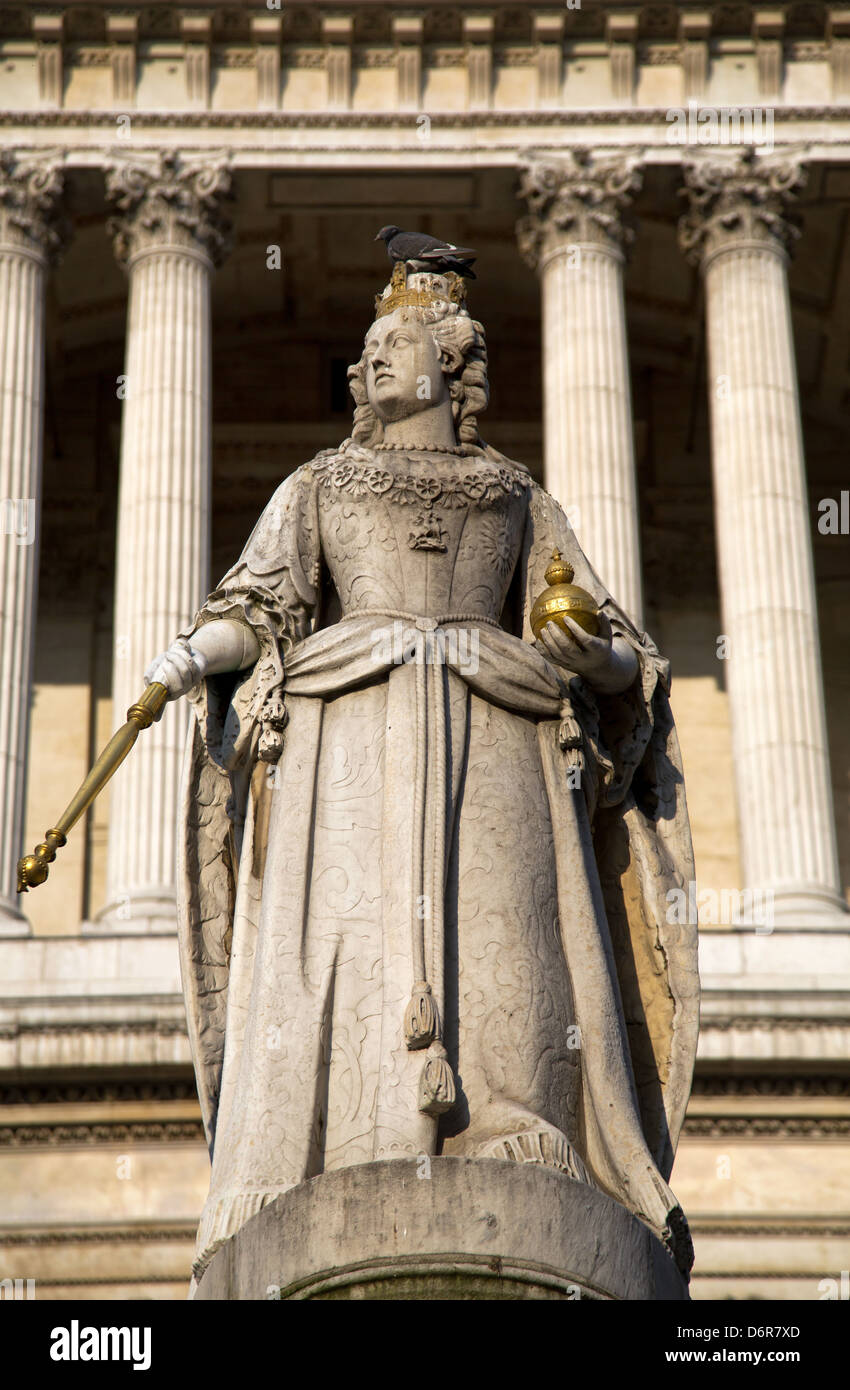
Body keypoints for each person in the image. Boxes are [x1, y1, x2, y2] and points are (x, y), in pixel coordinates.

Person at [146, 266, 698, 1282]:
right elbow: (261, 602)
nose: (367, 363)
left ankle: (520, 1122)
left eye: (390, 346)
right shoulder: (318, 482)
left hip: (501, 728)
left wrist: (594, 661)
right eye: (363, 353)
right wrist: (194, 651)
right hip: (346, 724)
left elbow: (607, 642)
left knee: (508, 932)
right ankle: (341, 1142)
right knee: (348, 934)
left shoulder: (514, 493)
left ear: (449, 358)